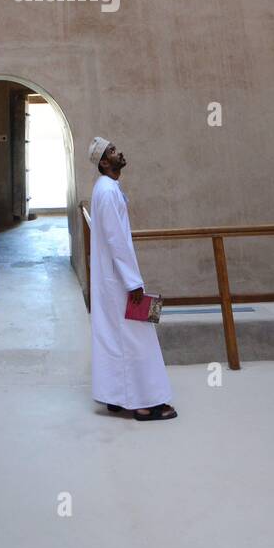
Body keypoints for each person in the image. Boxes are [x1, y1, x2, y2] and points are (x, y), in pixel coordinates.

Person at [88, 136, 177, 421]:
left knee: (115, 336)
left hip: (111, 278)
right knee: (138, 337)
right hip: (120, 280)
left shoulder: (106, 188)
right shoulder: (108, 191)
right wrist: (133, 282)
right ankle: (144, 403)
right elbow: (117, 240)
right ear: (103, 162)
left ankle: (115, 396)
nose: (118, 152)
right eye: (112, 151)